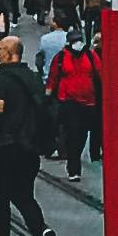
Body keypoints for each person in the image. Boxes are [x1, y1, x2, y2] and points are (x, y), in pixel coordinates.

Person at [0, 34, 57, 236]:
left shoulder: (3, 79)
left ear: (11, 52)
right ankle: (43, 231)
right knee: (24, 195)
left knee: (0, 200)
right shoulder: (33, 78)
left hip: (6, 148)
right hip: (30, 149)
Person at [46, 24, 101, 183]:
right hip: (68, 101)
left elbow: (101, 73)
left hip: (89, 102)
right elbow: (53, 77)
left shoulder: (90, 56)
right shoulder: (61, 57)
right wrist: (48, 96)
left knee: (82, 134)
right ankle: (73, 167)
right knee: (73, 133)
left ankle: (74, 157)